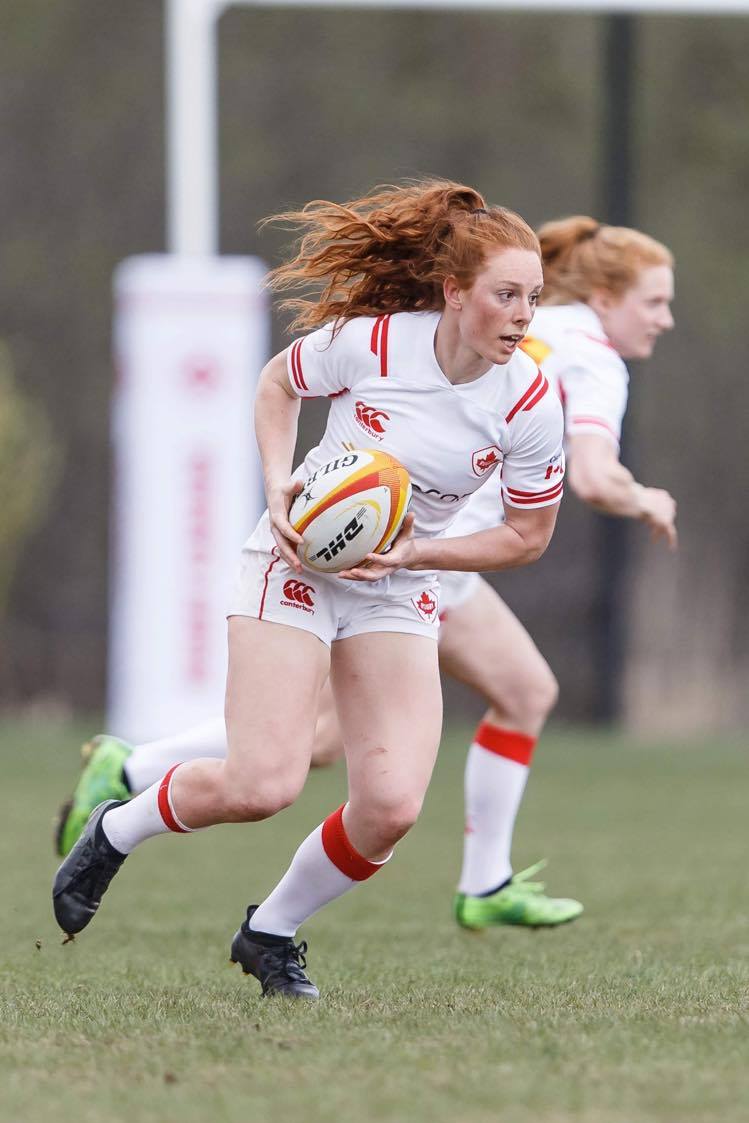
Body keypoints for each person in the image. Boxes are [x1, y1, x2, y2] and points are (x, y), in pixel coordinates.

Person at [56, 215, 676, 931]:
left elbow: (528, 536)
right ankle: (117, 826)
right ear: (453, 291)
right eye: (505, 295)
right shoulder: (376, 342)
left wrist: (414, 554)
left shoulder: (528, 398)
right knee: (264, 784)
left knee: (390, 806)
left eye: (532, 297)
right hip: (302, 568)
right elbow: (279, 381)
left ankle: (270, 932)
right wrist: (278, 482)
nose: (522, 315)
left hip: (403, 585)